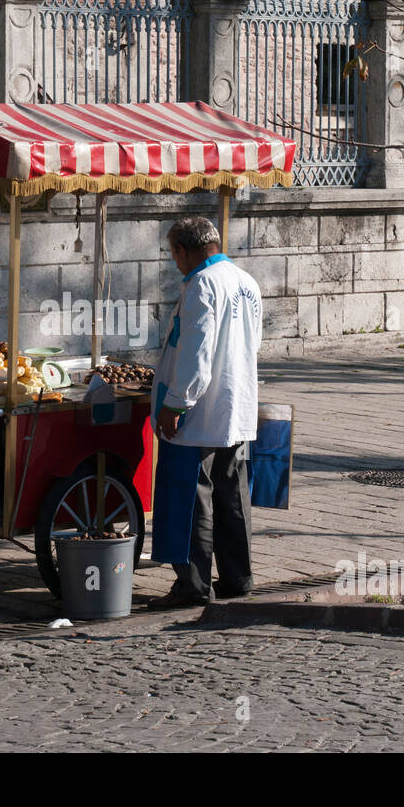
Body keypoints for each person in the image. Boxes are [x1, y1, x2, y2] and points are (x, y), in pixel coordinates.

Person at [147, 216, 262, 609]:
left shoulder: (202, 285)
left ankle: (193, 585)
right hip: (237, 405)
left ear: (185, 250)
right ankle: (238, 576)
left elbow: (196, 356)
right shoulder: (246, 282)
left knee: (193, 499)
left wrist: (175, 404)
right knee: (231, 496)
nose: (174, 262)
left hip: (200, 413)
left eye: (173, 254)